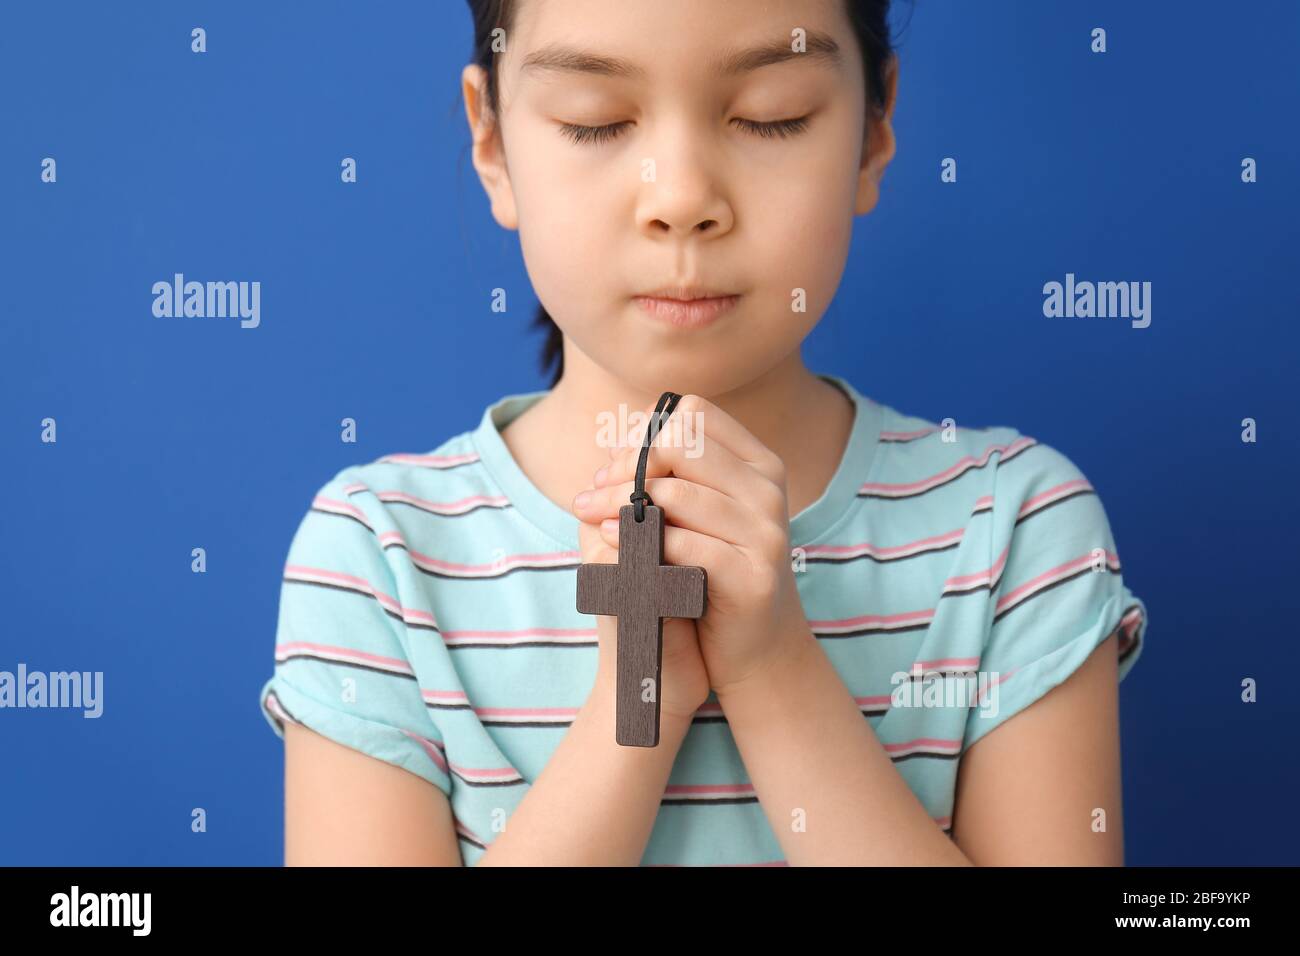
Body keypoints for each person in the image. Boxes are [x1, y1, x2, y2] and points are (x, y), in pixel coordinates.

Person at [258, 0, 1147, 865]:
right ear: (490, 140)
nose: (680, 200)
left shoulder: (1014, 530)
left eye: (772, 117)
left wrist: (774, 673)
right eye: (596, 122)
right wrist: (635, 707)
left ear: (875, 128)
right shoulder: (378, 558)